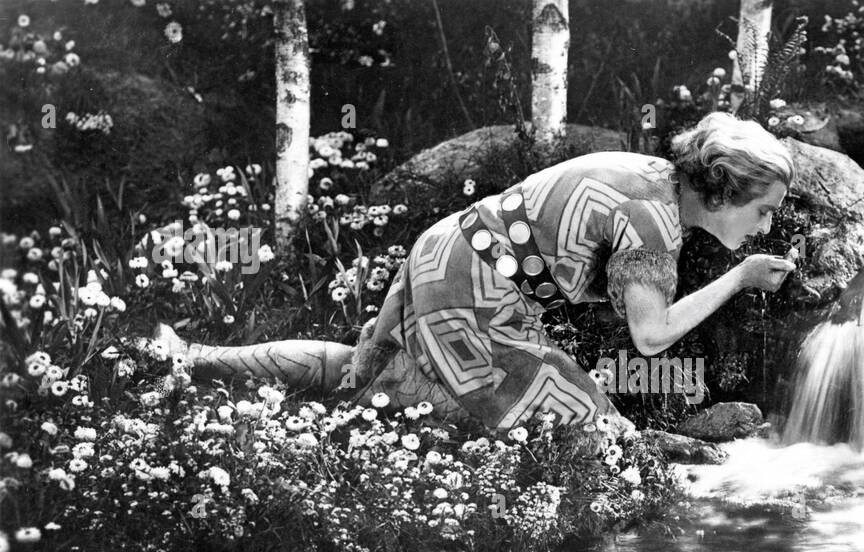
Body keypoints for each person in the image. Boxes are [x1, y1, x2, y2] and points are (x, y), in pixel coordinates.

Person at [155, 112, 797, 432]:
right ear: (722, 188)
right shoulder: (654, 219)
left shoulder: (651, 178)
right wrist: (737, 279)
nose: (765, 227)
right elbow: (651, 338)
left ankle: (192, 356)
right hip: (476, 286)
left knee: (364, 370)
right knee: (588, 426)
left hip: (449, 250)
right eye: (763, 210)